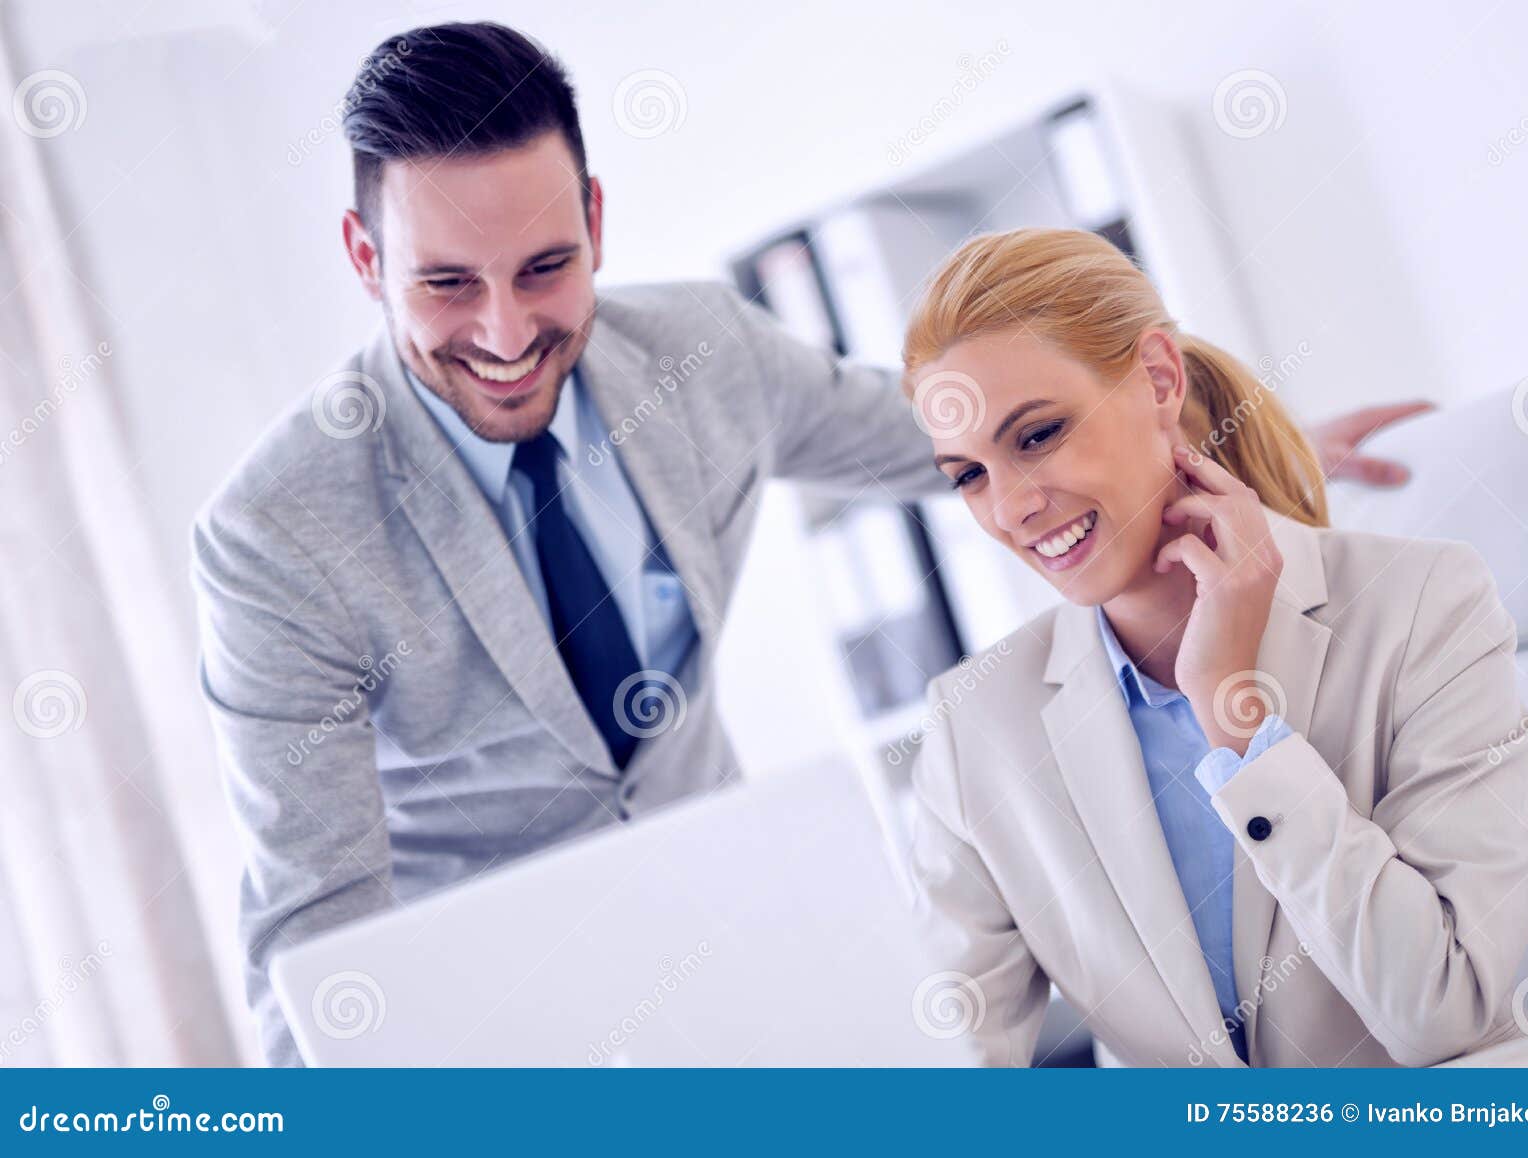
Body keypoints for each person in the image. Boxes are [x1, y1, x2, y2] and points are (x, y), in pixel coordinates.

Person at [190, 22, 1428, 1065]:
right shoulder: (280, 535)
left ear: (598, 220)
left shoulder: (703, 359)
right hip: (494, 1025)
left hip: (720, 940)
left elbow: (941, 435)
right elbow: (316, 932)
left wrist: (1203, 439)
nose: (509, 331)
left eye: (546, 266)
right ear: (366, 258)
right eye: (446, 285)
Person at [900, 227, 1528, 1067]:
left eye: (1037, 435)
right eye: (968, 475)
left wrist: (1236, 719)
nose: (1012, 507)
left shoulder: (1424, 607)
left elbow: (1442, 1014)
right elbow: (956, 1072)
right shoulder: (975, 724)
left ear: (1159, 380)